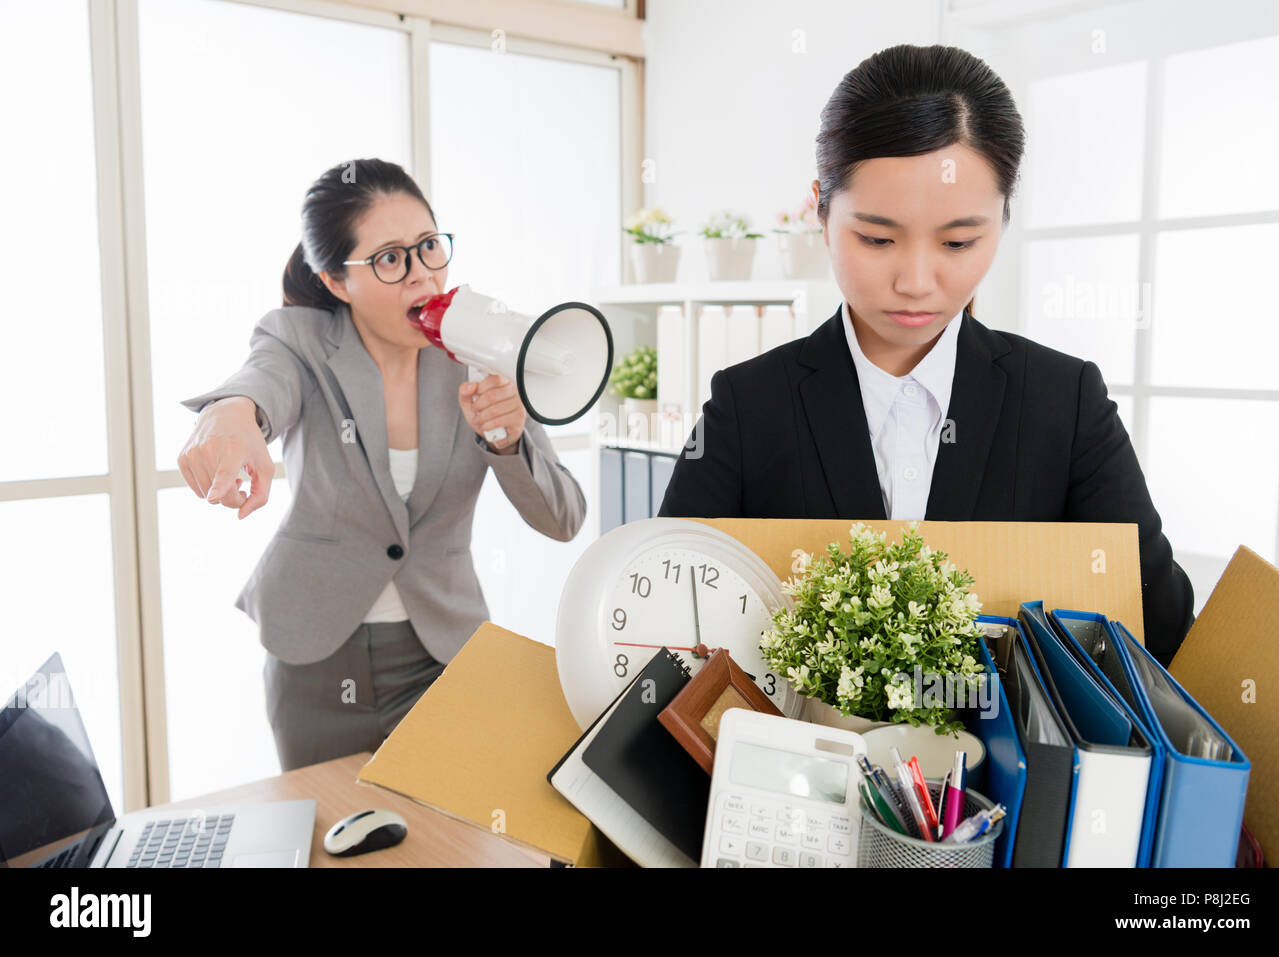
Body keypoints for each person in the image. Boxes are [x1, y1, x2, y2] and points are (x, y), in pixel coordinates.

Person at [657, 44, 1194, 667]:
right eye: (877, 238)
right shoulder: (748, 406)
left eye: (959, 240)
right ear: (820, 209)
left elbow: (1163, 629)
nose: (916, 281)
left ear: (1004, 218)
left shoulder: (1065, 401)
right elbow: (669, 611)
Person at [177, 158, 586, 771]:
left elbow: (564, 519)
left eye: (429, 247)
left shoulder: (480, 347)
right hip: (314, 662)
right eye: (391, 259)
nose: (422, 276)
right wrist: (233, 414)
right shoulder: (301, 341)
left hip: (442, 656)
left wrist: (506, 441)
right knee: (328, 847)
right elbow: (261, 383)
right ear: (337, 281)